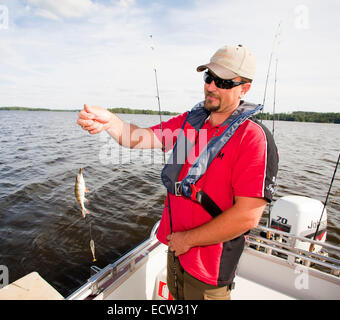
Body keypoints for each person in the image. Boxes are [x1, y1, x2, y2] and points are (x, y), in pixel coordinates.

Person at [77, 44, 279, 300]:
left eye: (223, 82)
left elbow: (246, 217)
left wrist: (188, 240)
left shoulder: (253, 138)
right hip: (175, 252)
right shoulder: (190, 122)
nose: (211, 87)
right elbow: (138, 138)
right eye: (209, 77)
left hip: (208, 271)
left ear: (244, 88)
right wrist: (111, 121)